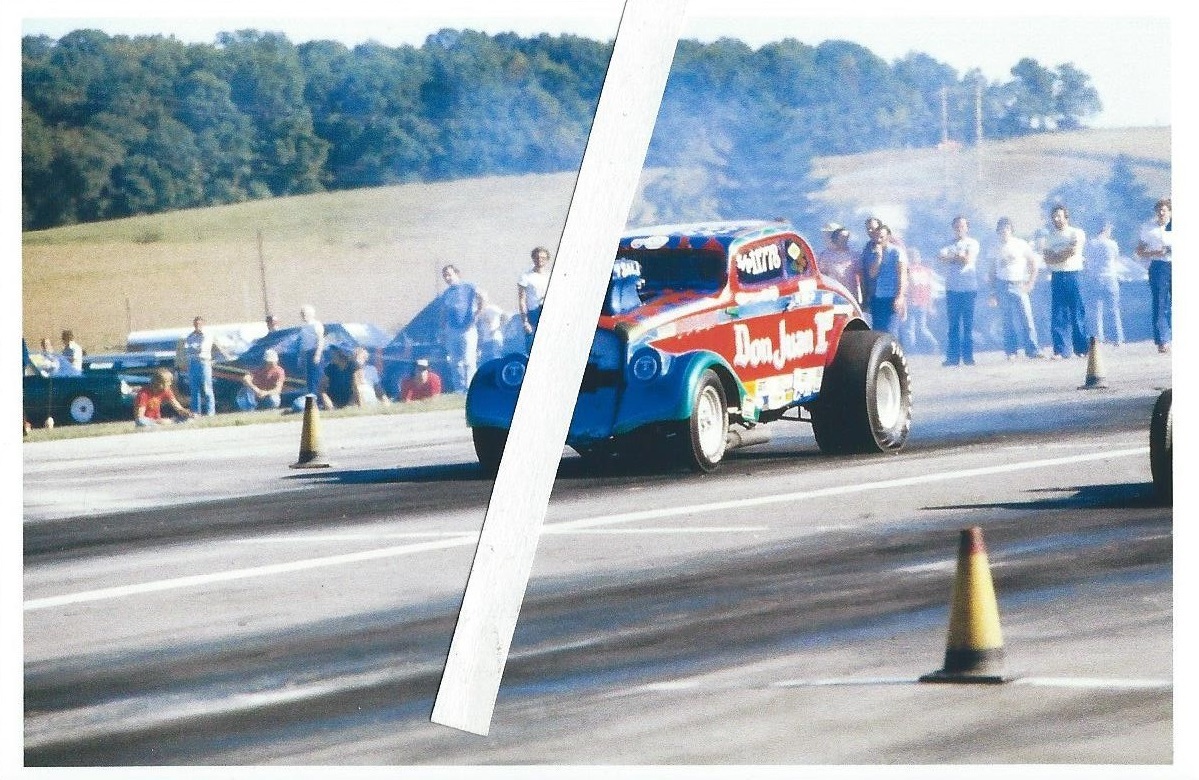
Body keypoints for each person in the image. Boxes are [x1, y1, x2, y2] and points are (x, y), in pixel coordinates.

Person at [987, 217, 1045, 361]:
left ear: (1011, 230)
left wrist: (1031, 282)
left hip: (1019, 283)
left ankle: (1032, 349)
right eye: (1001, 229)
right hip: (1002, 284)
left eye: (1006, 228)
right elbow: (992, 272)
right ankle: (1011, 351)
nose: (1004, 231)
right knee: (1007, 320)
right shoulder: (994, 248)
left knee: (1026, 317)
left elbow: (1033, 264)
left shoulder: (1020, 244)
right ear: (998, 231)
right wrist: (993, 291)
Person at [1039, 205, 1089, 359]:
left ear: (1066, 217)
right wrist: (1060, 255)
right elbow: (1047, 258)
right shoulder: (1049, 238)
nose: (1056, 219)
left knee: (1077, 312)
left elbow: (1072, 251)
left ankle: (1081, 349)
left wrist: (1057, 256)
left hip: (1074, 274)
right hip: (1057, 276)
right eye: (1054, 216)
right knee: (1059, 313)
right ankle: (1060, 350)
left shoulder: (1076, 233)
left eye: (1059, 216)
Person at [937, 216, 981, 366]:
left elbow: (967, 260)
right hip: (952, 289)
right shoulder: (947, 244)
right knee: (953, 324)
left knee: (968, 324)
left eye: (962, 226)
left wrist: (953, 257)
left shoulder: (973, 243)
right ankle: (953, 357)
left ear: (967, 227)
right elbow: (941, 258)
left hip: (969, 289)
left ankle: (968, 357)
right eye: (956, 226)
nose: (959, 229)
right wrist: (957, 257)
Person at [1136, 197, 1172, 353]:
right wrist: (1155, 252)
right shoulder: (1148, 228)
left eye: (1164, 210)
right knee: (1160, 303)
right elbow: (1139, 251)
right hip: (1159, 266)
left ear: (1170, 211)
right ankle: (1163, 340)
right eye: (1159, 210)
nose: (1161, 213)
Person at [439, 264, 483, 392]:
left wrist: (477, 314)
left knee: (469, 360)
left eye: (449, 274)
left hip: (467, 328)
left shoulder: (469, 287)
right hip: (452, 329)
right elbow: (443, 312)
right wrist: (442, 329)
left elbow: (483, 297)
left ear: (456, 274)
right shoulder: (446, 293)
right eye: (445, 276)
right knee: (455, 361)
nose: (448, 278)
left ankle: (471, 388)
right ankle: (459, 389)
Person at [1082, 218, 1124, 347]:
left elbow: (1086, 260)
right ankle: (1117, 338)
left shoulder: (1089, 243)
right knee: (1113, 309)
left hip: (1094, 277)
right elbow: (1115, 258)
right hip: (1110, 278)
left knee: (1096, 310)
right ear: (1106, 228)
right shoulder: (1112, 244)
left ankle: (1098, 338)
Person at [866, 224, 907, 336]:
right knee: (877, 330)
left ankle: (893, 352)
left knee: (890, 330)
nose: (879, 240)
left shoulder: (896, 252)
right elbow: (872, 274)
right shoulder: (873, 252)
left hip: (892, 295)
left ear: (888, 237)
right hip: (877, 296)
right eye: (877, 237)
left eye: (881, 237)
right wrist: (878, 257)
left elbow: (902, 275)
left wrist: (900, 296)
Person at [182, 316, 228, 416]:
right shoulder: (190, 336)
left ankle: (211, 413)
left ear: (203, 324)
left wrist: (192, 348)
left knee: (207, 388)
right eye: (195, 324)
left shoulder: (208, 335)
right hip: (193, 363)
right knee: (194, 389)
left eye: (199, 324)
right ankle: (195, 413)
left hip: (204, 362)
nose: (197, 326)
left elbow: (205, 348)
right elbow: (188, 349)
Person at [902, 248, 939, 354]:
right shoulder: (926, 270)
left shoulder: (908, 270)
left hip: (913, 302)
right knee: (920, 327)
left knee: (911, 328)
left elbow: (910, 286)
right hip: (921, 302)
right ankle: (932, 344)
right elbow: (929, 289)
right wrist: (929, 304)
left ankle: (912, 350)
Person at [817, 223, 863, 304]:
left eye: (845, 238)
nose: (843, 240)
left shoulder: (854, 255)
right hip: (832, 295)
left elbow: (861, 276)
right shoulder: (825, 256)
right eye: (841, 238)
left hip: (850, 296)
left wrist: (863, 298)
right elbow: (820, 275)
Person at [518, 246, 553, 349]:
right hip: (533, 313)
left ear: (547, 260)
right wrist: (525, 321)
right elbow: (522, 300)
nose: (539, 260)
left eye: (542, 258)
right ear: (533, 258)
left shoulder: (550, 276)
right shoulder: (525, 276)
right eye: (537, 257)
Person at [298, 304, 326, 397]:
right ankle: (311, 401)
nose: (303, 316)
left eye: (304, 313)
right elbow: (303, 344)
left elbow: (320, 340)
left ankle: (320, 399)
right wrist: (301, 357)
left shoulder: (316, 324)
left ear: (311, 314)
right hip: (308, 354)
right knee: (310, 378)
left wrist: (317, 354)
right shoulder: (303, 327)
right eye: (302, 314)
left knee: (317, 377)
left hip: (315, 353)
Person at [858, 217, 884, 312]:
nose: (870, 231)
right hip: (870, 294)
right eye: (868, 229)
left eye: (873, 228)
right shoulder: (868, 246)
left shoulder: (891, 245)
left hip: (885, 295)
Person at [476, 290, 507, 364]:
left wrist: (497, 329)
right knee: (485, 362)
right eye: (478, 299)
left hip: (494, 339)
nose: (480, 301)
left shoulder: (492, 308)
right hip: (485, 341)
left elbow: (505, 316)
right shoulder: (478, 313)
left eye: (482, 299)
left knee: (495, 360)